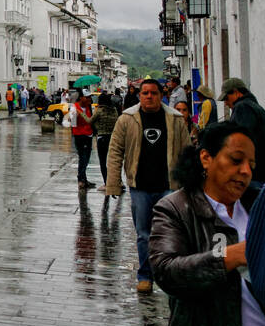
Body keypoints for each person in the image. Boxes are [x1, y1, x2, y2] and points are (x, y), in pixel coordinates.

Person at [150, 122, 265, 326]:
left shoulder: (260, 206)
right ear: (206, 158)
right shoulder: (176, 209)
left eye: (251, 165)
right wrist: (231, 255)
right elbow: (167, 270)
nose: (245, 171)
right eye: (236, 159)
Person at [106, 79, 191, 293]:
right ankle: (145, 276)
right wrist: (113, 183)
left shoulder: (175, 119)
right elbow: (115, 151)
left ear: (161, 95)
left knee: (171, 233)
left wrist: (190, 184)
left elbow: (186, 153)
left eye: (153, 93)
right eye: (145, 93)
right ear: (139, 95)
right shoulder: (127, 118)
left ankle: (170, 275)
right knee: (144, 234)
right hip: (140, 186)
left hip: (169, 186)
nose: (149, 97)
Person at [220, 78, 265, 189]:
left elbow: (240, 141)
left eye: (226, 98)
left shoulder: (243, 107)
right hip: (259, 174)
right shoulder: (255, 107)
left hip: (251, 176)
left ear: (236, 92)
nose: (226, 103)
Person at [91, 92, 120, 192]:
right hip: (113, 137)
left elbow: (91, 121)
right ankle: (118, 182)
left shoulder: (99, 110)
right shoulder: (114, 110)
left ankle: (107, 183)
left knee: (103, 162)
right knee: (114, 161)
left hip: (102, 138)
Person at [71, 91, 94, 190]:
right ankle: (80, 179)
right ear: (81, 98)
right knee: (83, 157)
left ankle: (84, 178)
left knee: (87, 157)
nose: (89, 99)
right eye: (87, 97)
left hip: (89, 134)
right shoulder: (74, 107)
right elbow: (72, 123)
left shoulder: (89, 106)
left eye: (89, 97)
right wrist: (75, 116)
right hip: (79, 135)